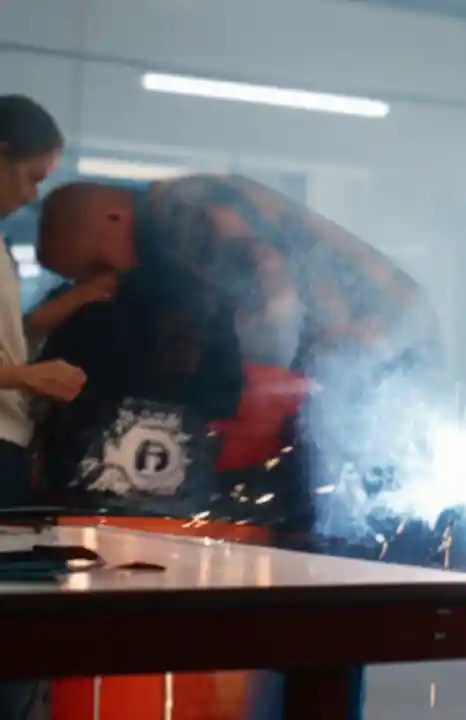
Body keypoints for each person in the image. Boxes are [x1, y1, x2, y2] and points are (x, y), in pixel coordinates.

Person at [36, 174, 444, 720]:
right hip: (373, 341)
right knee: (329, 572)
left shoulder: (181, 213)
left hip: (374, 344)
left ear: (113, 220)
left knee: (331, 582)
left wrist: (257, 379)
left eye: (93, 266)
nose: (104, 280)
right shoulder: (185, 205)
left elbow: (269, 280)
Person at [0, 94, 113, 720]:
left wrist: (75, 303)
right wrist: (24, 376)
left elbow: (8, 337)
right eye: (30, 178)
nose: (32, 197)